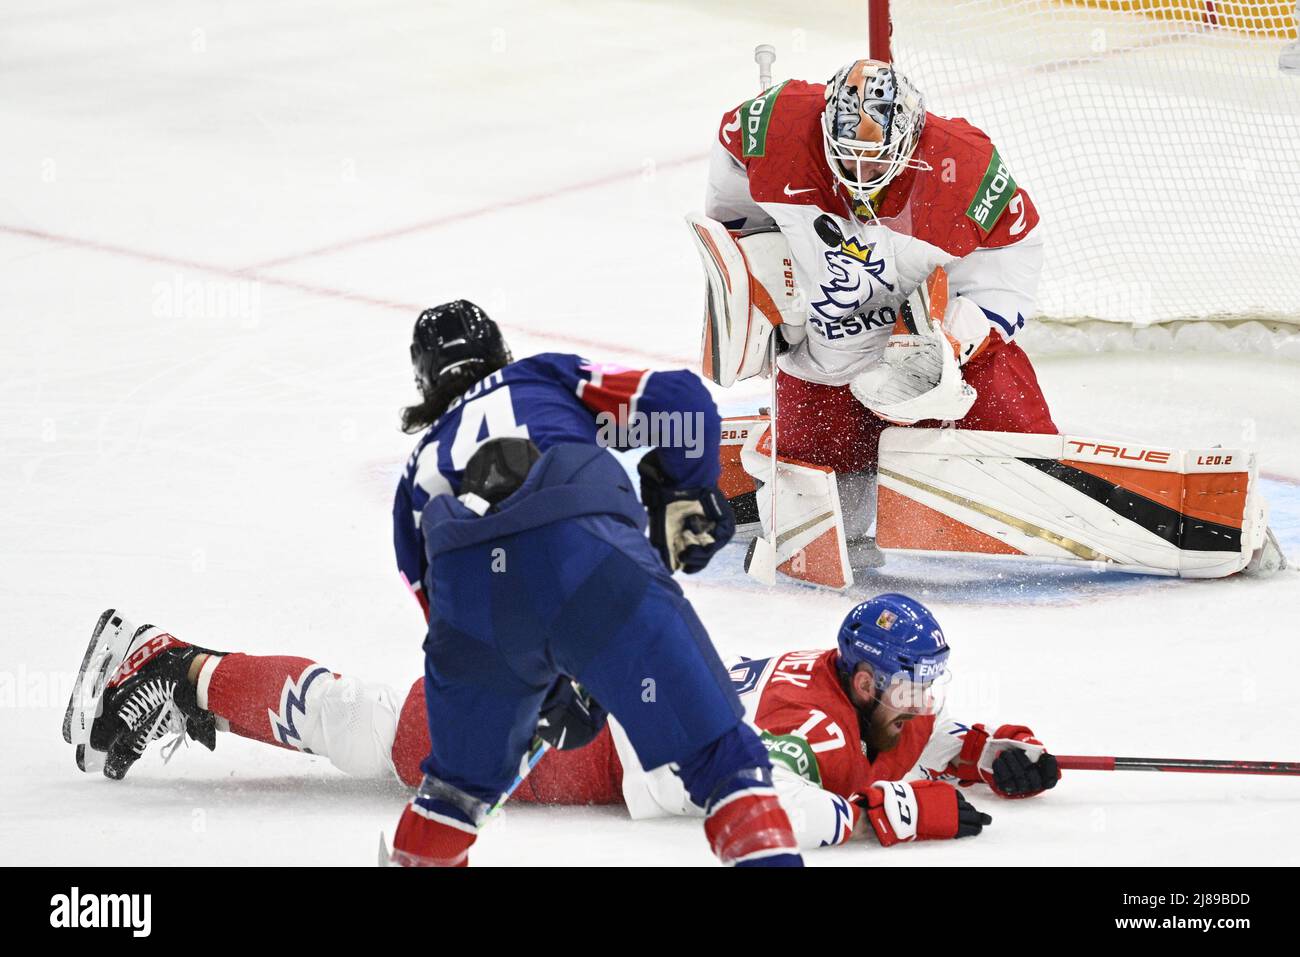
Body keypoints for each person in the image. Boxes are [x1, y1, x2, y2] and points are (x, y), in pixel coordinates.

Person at [63, 301, 802, 867]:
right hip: (601, 585)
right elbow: (684, 401)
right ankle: (185, 669)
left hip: (491, 625)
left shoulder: (411, 486)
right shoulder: (542, 380)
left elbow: (449, 626)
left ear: (424, 387)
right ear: (502, 355)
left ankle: (191, 672)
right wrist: (687, 490)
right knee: (726, 765)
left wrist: (538, 688)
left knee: (450, 793)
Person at [66, 590, 1058, 853]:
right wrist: (904, 814)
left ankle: (188, 677)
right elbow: (772, 806)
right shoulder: (825, 728)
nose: (924, 705)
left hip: (589, 702)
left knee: (370, 722)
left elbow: (896, 744)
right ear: (871, 681)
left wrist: (984, 748)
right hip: (573, 734)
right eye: (915, 688)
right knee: (369, 730)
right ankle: (173, 666)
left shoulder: (838, 687)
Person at [703, 59, 1057, 567]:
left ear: (911, 137)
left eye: (876, 161)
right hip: (824, 359)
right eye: (848, 159)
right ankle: (828, 464)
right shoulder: (774, 126)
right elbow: (733, 193)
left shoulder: (964, 164)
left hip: (932, 367)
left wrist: (956, 339)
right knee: (818, 537)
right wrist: (755, 266)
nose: (861, 175)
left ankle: (1043, 475)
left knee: (1026, 464)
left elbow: (1012, 256)